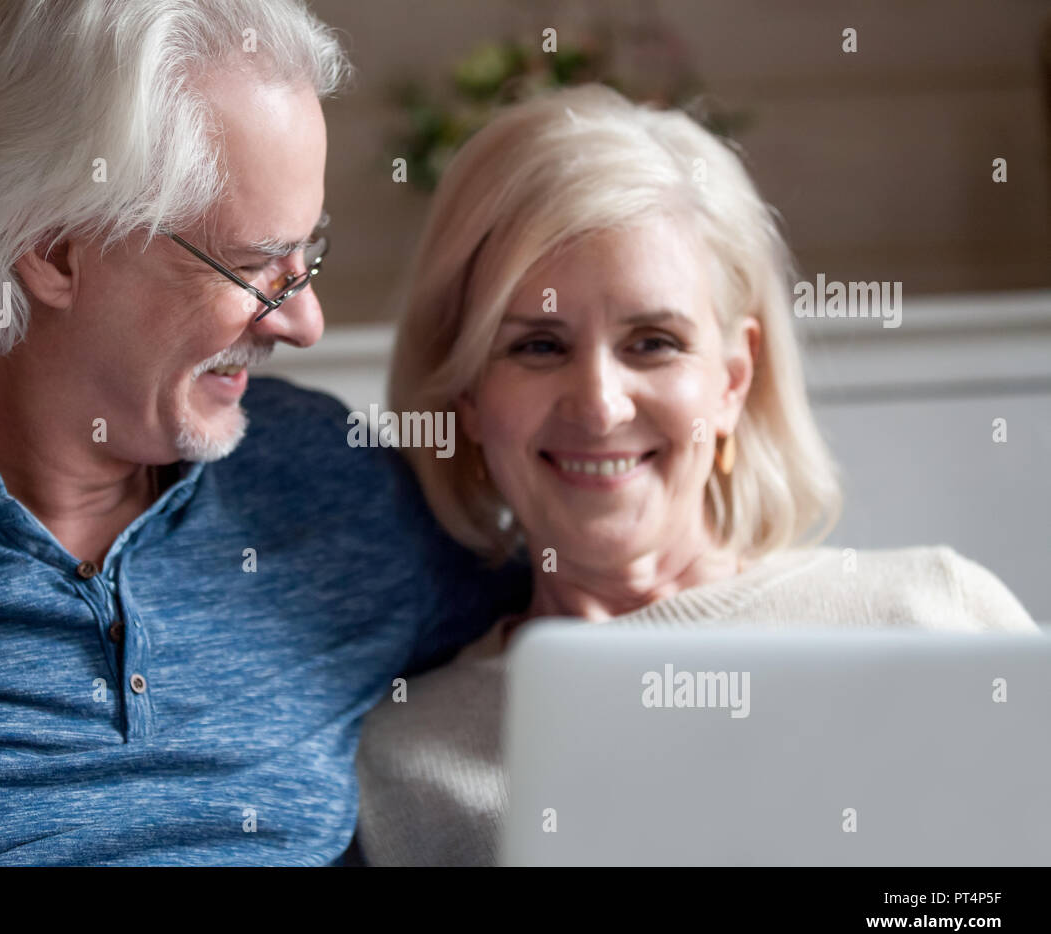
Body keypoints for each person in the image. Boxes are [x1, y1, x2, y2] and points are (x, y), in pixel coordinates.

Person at [0, 0, 527, 865]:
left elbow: (592, 593)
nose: (303, 322)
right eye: (253, 264)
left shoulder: (330, 483)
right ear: (50, 252)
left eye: (308, 253)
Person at [354, 84, 1040, 867]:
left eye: (653, 342)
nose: (601, 407)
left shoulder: (935, 615)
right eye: (538, 346)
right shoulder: (405, 767)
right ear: (468, 396)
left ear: (734, 378)